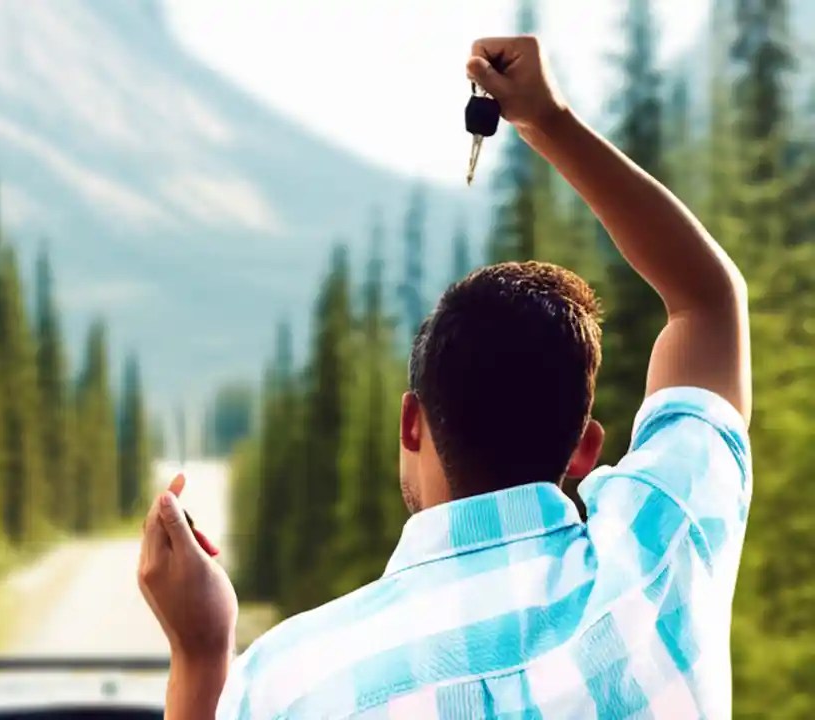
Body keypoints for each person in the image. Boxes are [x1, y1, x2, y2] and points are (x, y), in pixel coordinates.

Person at [138, 35, 752, 719]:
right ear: (584, 449)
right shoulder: (657, 563)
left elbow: (707, 303)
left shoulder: (289, 681)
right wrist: (549, 120)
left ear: (411, 422)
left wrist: (200, 655)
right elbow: (707, 302)